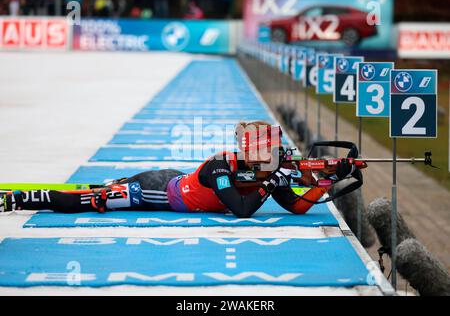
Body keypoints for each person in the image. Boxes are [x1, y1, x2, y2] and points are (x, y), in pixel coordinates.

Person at [0, 121, 353, 218]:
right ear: (257, 153)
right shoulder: (221, 166)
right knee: (92, 201)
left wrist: (325, 180)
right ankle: (16, 200)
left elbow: (298, 206)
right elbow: (242, 211)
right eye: (275, 151)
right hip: (156, 190)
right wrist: (274, 180)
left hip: (174, 178)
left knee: (98, 192)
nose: (283, 156)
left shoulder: (263, 173)